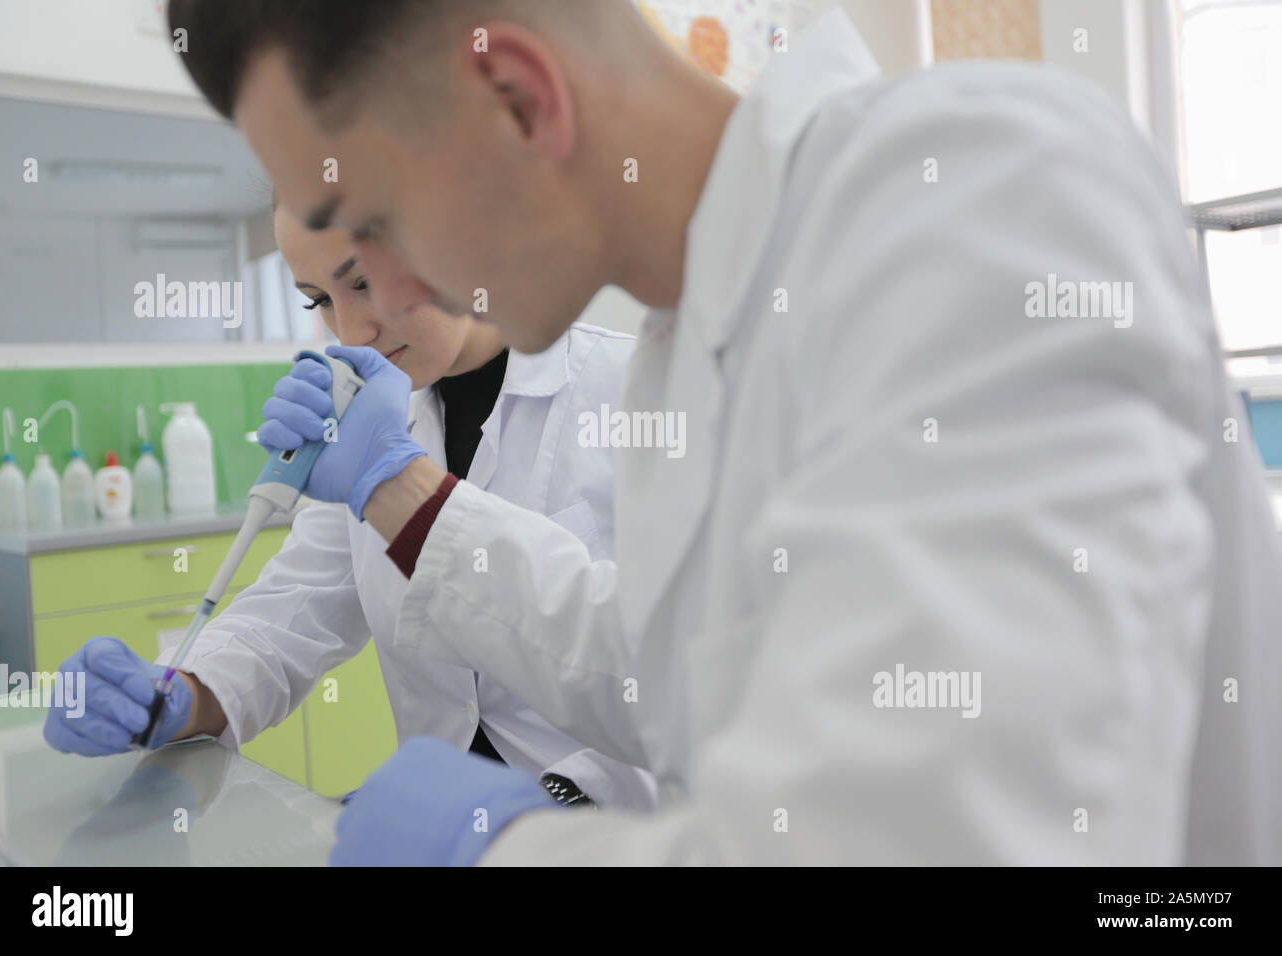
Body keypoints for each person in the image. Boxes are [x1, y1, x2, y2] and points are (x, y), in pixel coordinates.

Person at [167, 0, 1282, 865]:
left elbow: (934, 840)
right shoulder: (689, 344)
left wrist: (500, 845)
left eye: (373, 224)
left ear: (517, 99)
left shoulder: (971, 194)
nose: (380, 301)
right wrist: (397, 500)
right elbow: (662, 671)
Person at [42, 199, 656, 813]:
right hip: (440, 832)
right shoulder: (379, 422)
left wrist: (556, 801)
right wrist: (182, 694)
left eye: (364, 283)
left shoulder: (637, 392)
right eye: (320, 300)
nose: (352, 331)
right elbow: (290, 614)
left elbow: (686, 684)